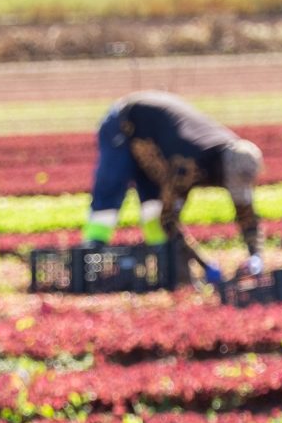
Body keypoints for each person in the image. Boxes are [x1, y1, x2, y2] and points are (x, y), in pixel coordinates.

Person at [83, 91, 265, 288]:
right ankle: (90, 259)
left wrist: (256, 256)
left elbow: (246, 213)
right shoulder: (187, 165)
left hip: (154, 139)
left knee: (153, 206)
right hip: (125, 123)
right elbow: (168, 219)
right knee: (111, 191)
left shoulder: (235, 153)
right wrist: (205, 264)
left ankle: (167, 268)